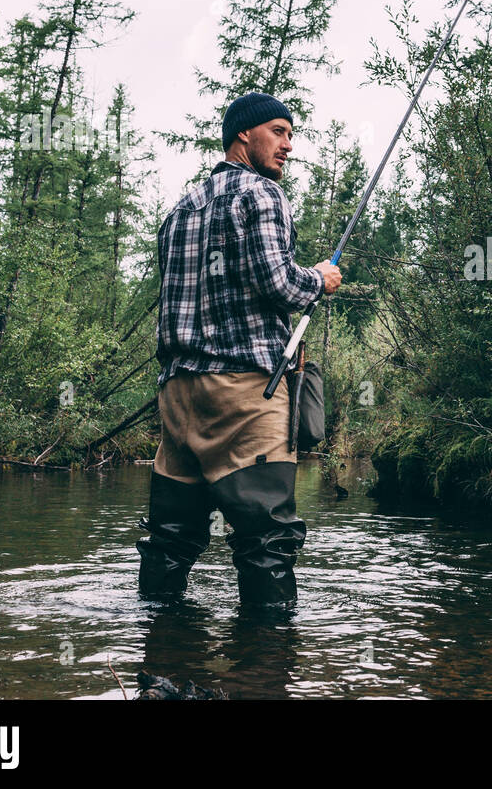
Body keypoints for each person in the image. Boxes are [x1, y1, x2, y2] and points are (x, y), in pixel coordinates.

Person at [138, 92, 341, 607]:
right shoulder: (263, 195)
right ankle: (266, 667)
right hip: (246, 393)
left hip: (178, 396)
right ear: (242, 135)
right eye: (278, 131)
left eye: (291, 134)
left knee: (170, 539)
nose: (288, 145)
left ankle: (160, 658)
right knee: (266, 542)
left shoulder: (179, 209)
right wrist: (318, 279)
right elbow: (279, 285)